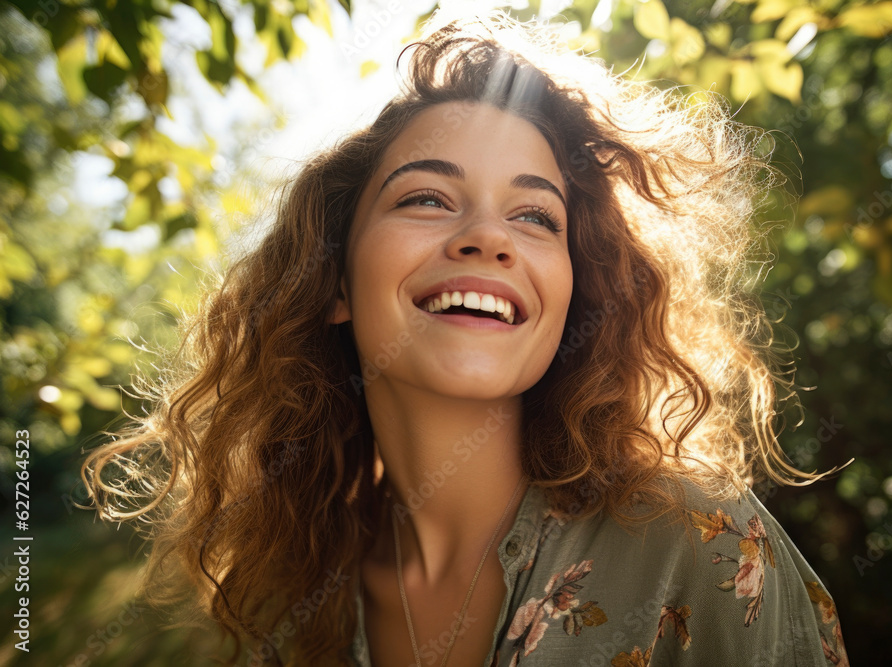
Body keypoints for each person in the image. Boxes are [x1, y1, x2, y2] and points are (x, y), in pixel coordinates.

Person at [83, 11, 849, 667]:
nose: (487, 237)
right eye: (426, 197)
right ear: (336, 283)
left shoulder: (704, 545)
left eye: (535, 216)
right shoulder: (291, 587)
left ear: (578, 287)